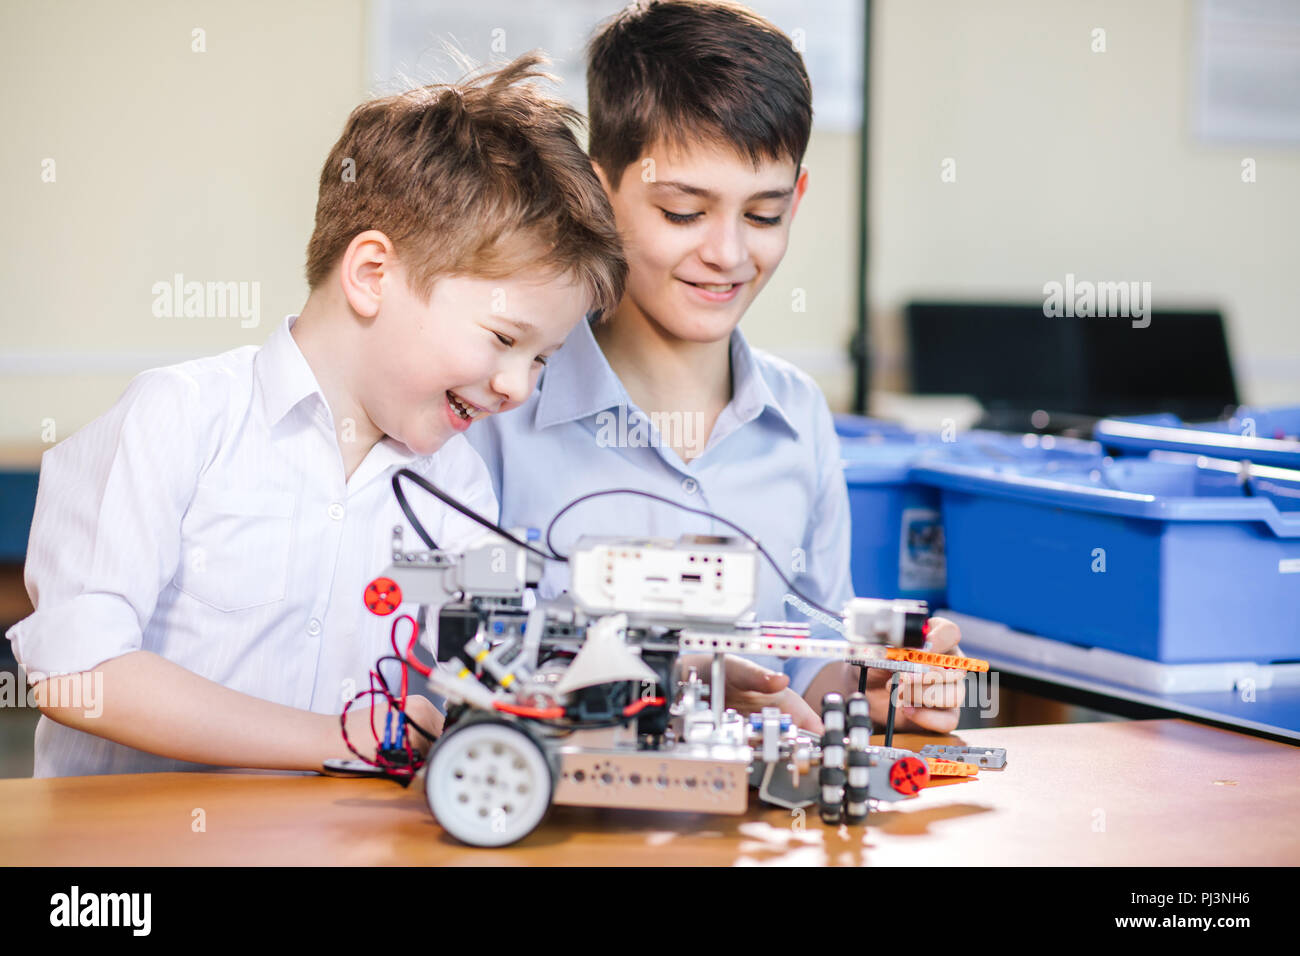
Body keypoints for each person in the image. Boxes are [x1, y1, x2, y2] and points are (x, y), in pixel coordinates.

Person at [6, 53, 627, 776]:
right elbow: (80, 673)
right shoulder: (177, 420)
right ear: (371, 276)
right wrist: (347, 738)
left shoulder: (456, 484)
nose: (519, 388)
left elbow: (487, 660)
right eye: (503, 339)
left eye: (543, 359)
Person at [469, 1, 965, 734]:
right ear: (600, 193)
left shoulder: (798, 419)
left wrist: (878, 684)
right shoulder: (500, 406)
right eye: (682, 212)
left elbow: (814, 663)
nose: (728, 254)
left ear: (796, 199)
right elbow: (451, 663)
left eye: (762, 215)